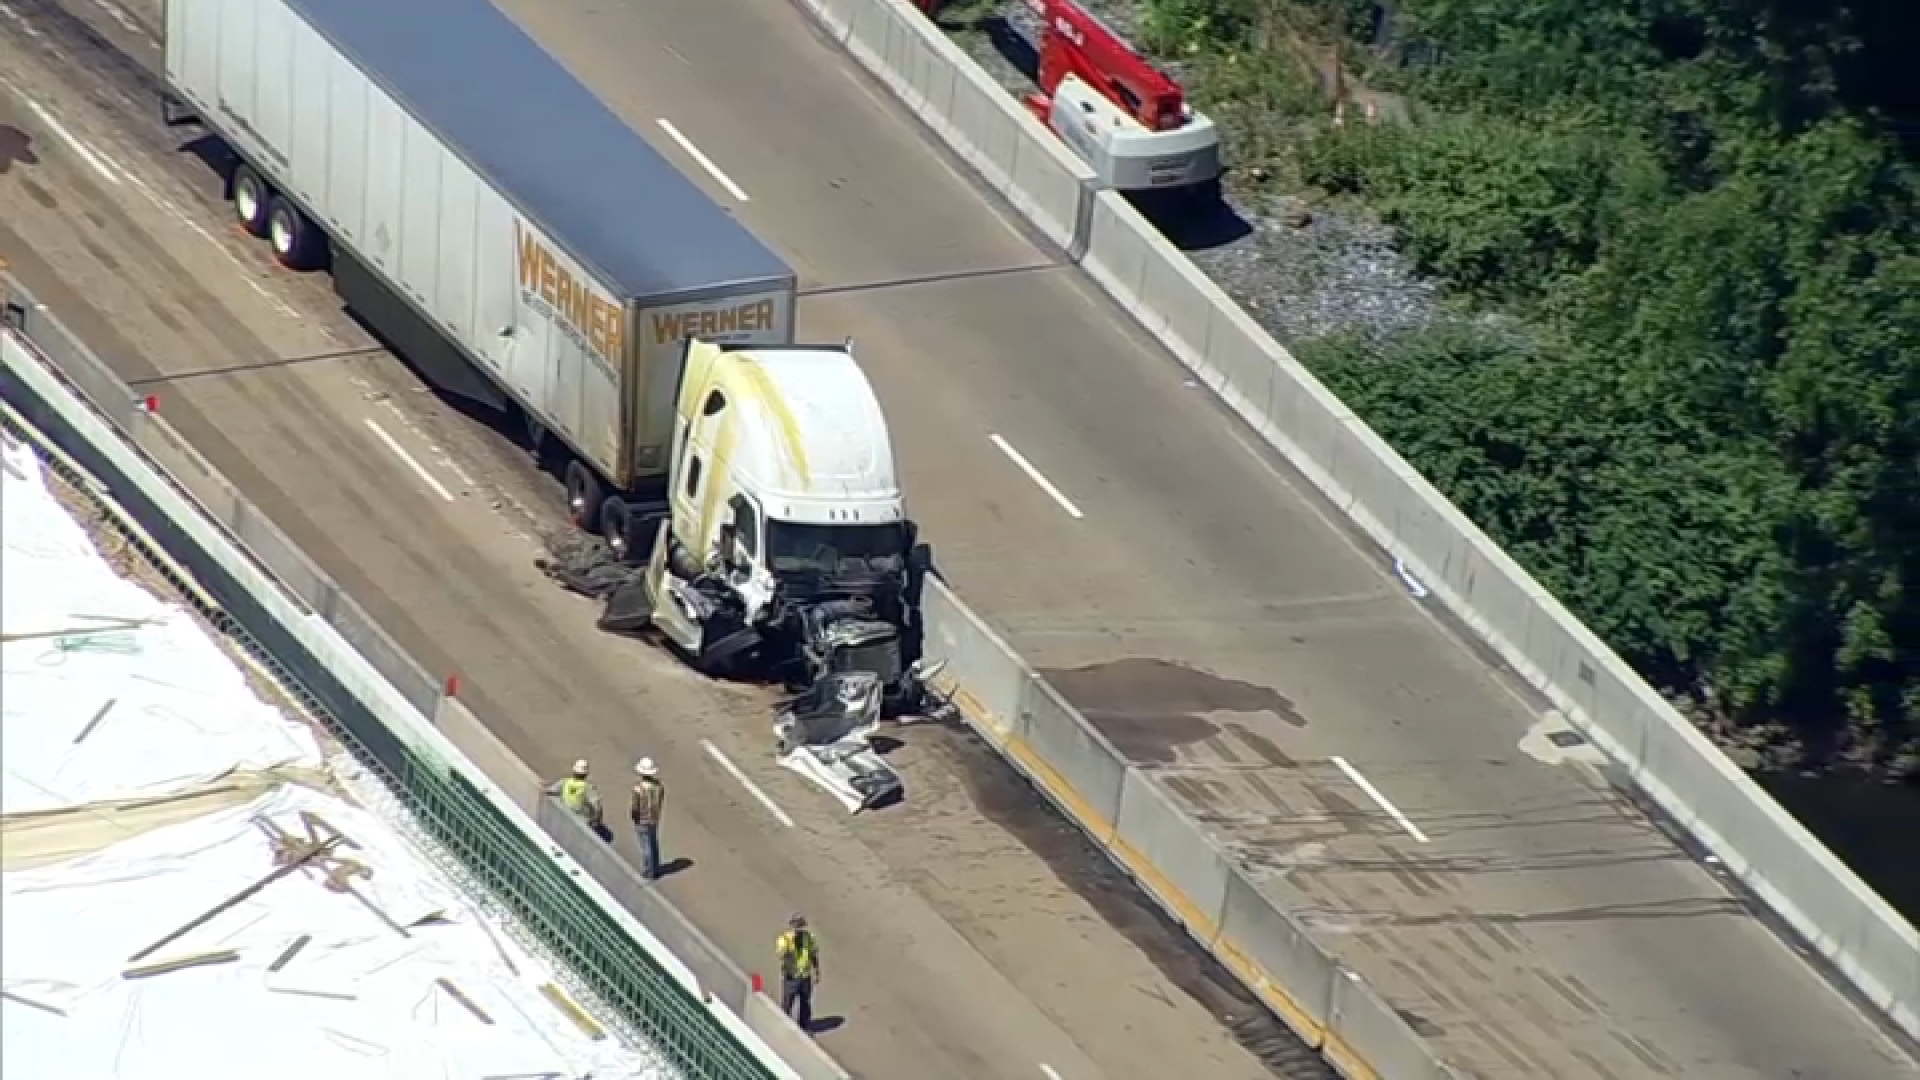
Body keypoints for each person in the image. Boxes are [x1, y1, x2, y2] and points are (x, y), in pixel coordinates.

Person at [776, 913, 821, 1031]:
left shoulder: (809, 937)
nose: (798, 930)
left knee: (805, 1003)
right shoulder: (784, 939)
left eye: (800, 926)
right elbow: (781, 955)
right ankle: (783, 1025)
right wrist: (790, 945)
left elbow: (813, 954)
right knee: (787, 1003)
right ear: (791, 926)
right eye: (796, 926)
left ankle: (803, 1027)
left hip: (805, 976)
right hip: (791, 977)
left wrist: (817, 971)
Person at [547, 759, 611, 842]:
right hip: (583, 823)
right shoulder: (587, 787)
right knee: (607, 836)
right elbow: (598, 807)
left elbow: (550, 791)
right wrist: (597, 821)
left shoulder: (564, 782)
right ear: (586, 774)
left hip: (565, 818)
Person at [630, 758, 666, 880]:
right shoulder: (659, 786)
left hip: (642, 819)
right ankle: (655, 867)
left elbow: (635, 807)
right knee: (653, 843)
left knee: (645, 846)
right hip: (654, 818)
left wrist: (634, 817)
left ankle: (649, 870)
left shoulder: (638, 789)